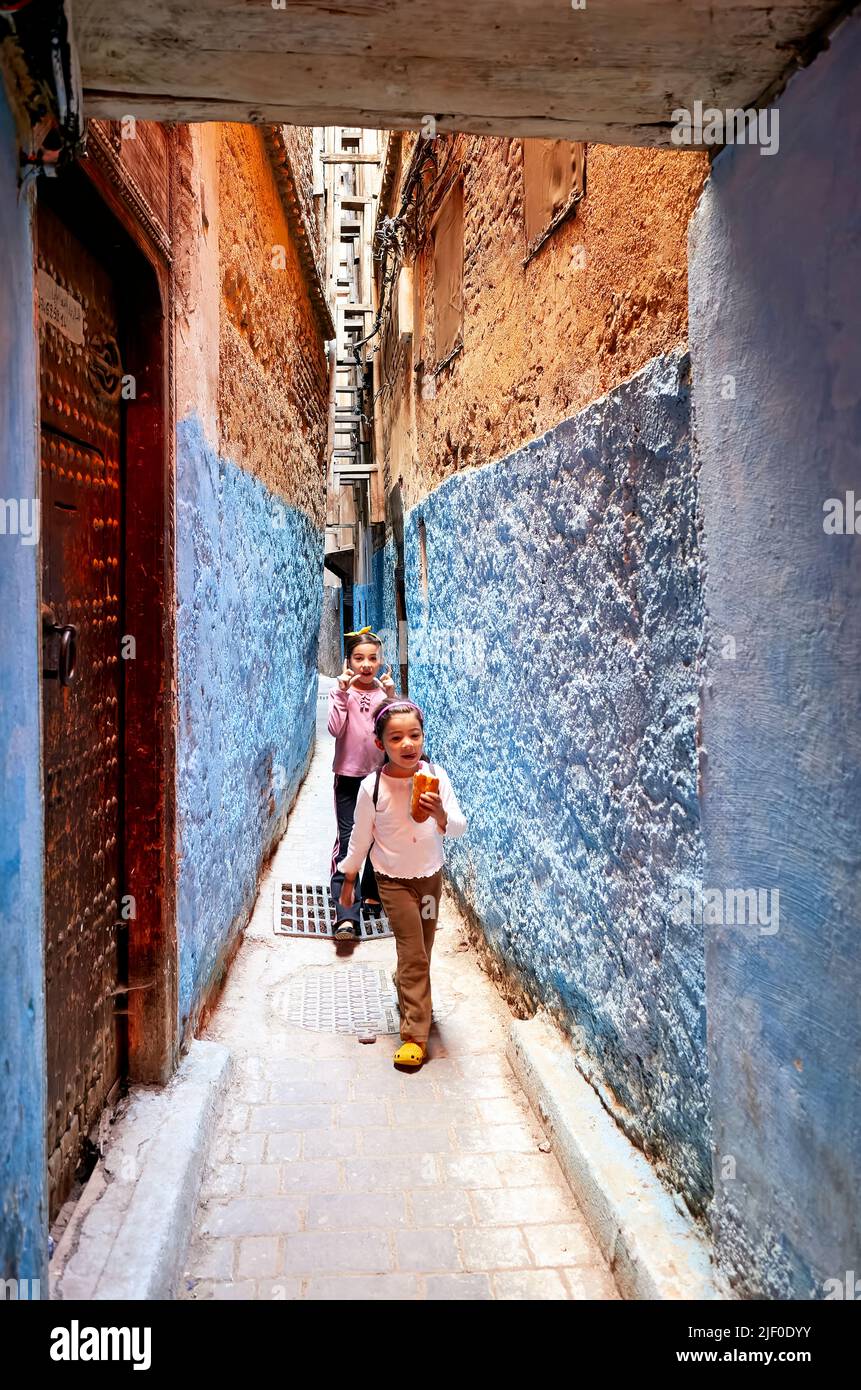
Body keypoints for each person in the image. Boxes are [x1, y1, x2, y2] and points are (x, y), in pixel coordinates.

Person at [338, 699, 467, 1069]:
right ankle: (414, 1036)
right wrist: (350, 877)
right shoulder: (371, 787)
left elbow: (458, 827)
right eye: (397, 738)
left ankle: (404, 983)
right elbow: (360, 837)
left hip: (429, 879)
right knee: (413, 951)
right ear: (381, 744)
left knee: (422, 950)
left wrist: (440, 813)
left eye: (415, 735)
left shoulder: (436, 777)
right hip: (392, 883)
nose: (408, 744)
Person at [328, 627, 396, 939]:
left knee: (376, 839)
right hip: (348, 779)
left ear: (381, 661)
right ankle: (346, 915)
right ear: (349, 661)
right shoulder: (341, 692)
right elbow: (335, 729)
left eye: (372, 658)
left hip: (378, 779)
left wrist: (391, 700)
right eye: (359, 658)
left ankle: (370, 892)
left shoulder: (383, 695)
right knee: (349, 841)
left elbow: (392, 735)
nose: (366, 664)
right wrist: (342, 694)